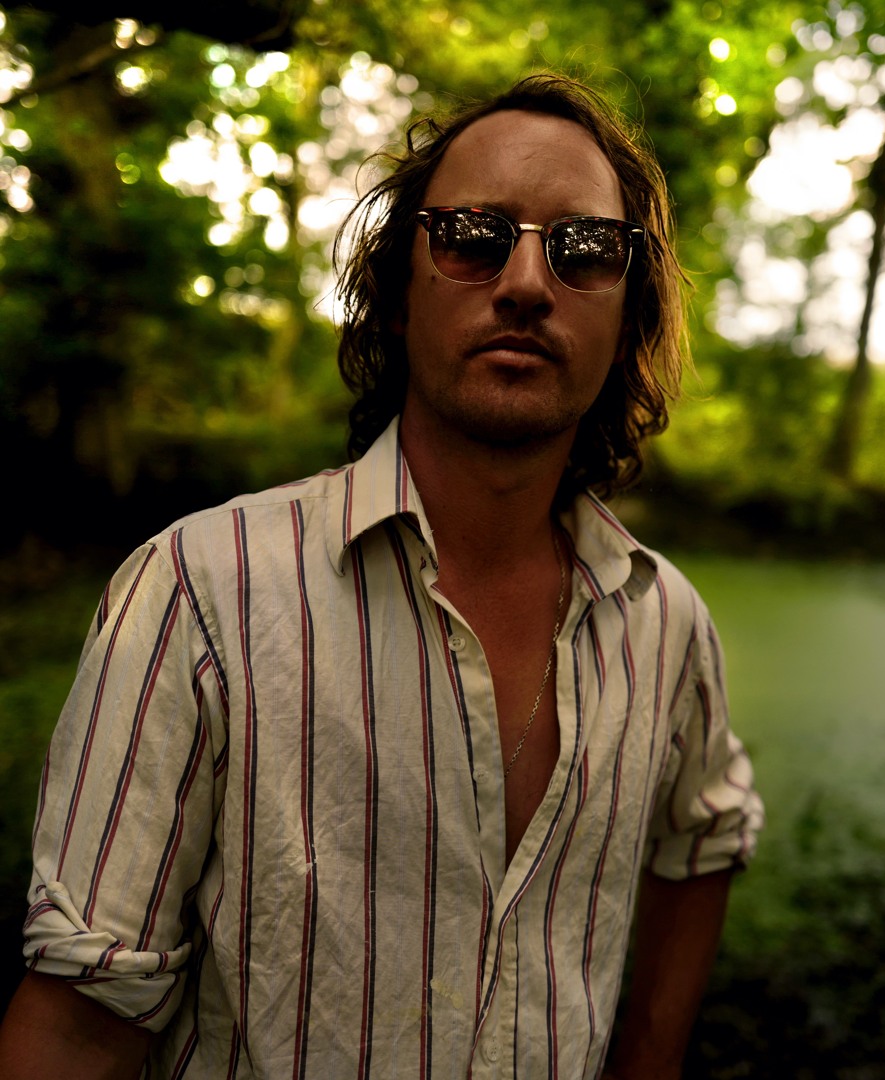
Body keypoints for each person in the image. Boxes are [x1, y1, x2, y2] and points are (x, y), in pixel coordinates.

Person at [0, 72, 763, 1079]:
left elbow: (705, 837)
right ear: (399, 297)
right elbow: (76, 1026)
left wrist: (649, 1057)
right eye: (473, 237)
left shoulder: (664, 623)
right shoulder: (200, 594)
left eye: (585, 250)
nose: (526, 284)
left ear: (627, 320)